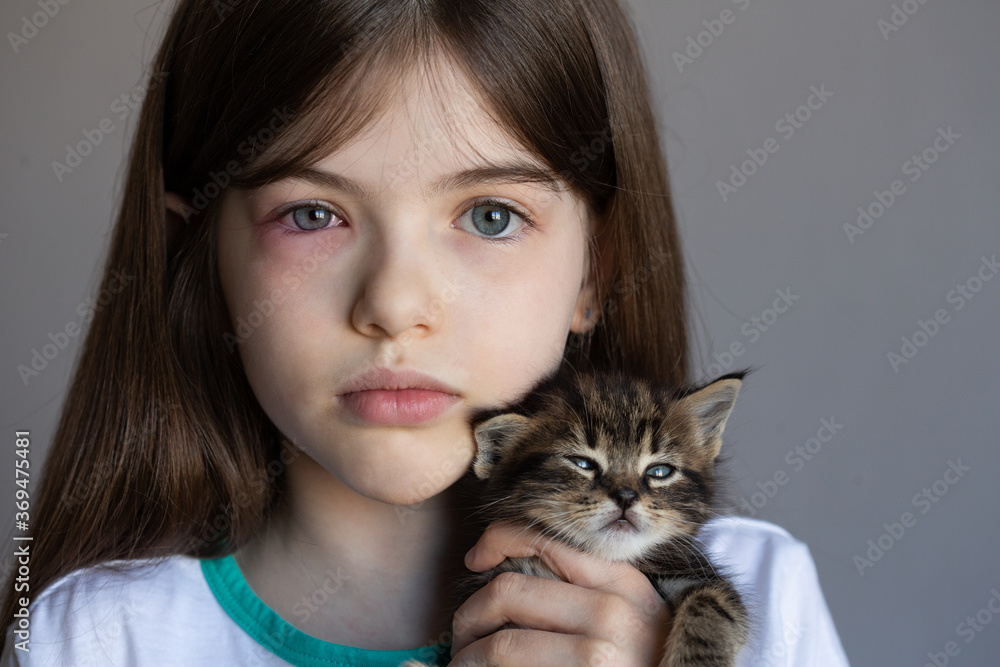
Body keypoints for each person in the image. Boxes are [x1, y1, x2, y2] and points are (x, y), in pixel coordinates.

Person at [0, 0, 850, 664]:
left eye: (489, 215)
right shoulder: (97, 636)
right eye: (311, 213)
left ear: (598, 269)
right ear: (195, 264)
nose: (397, 304)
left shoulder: (764, 603)